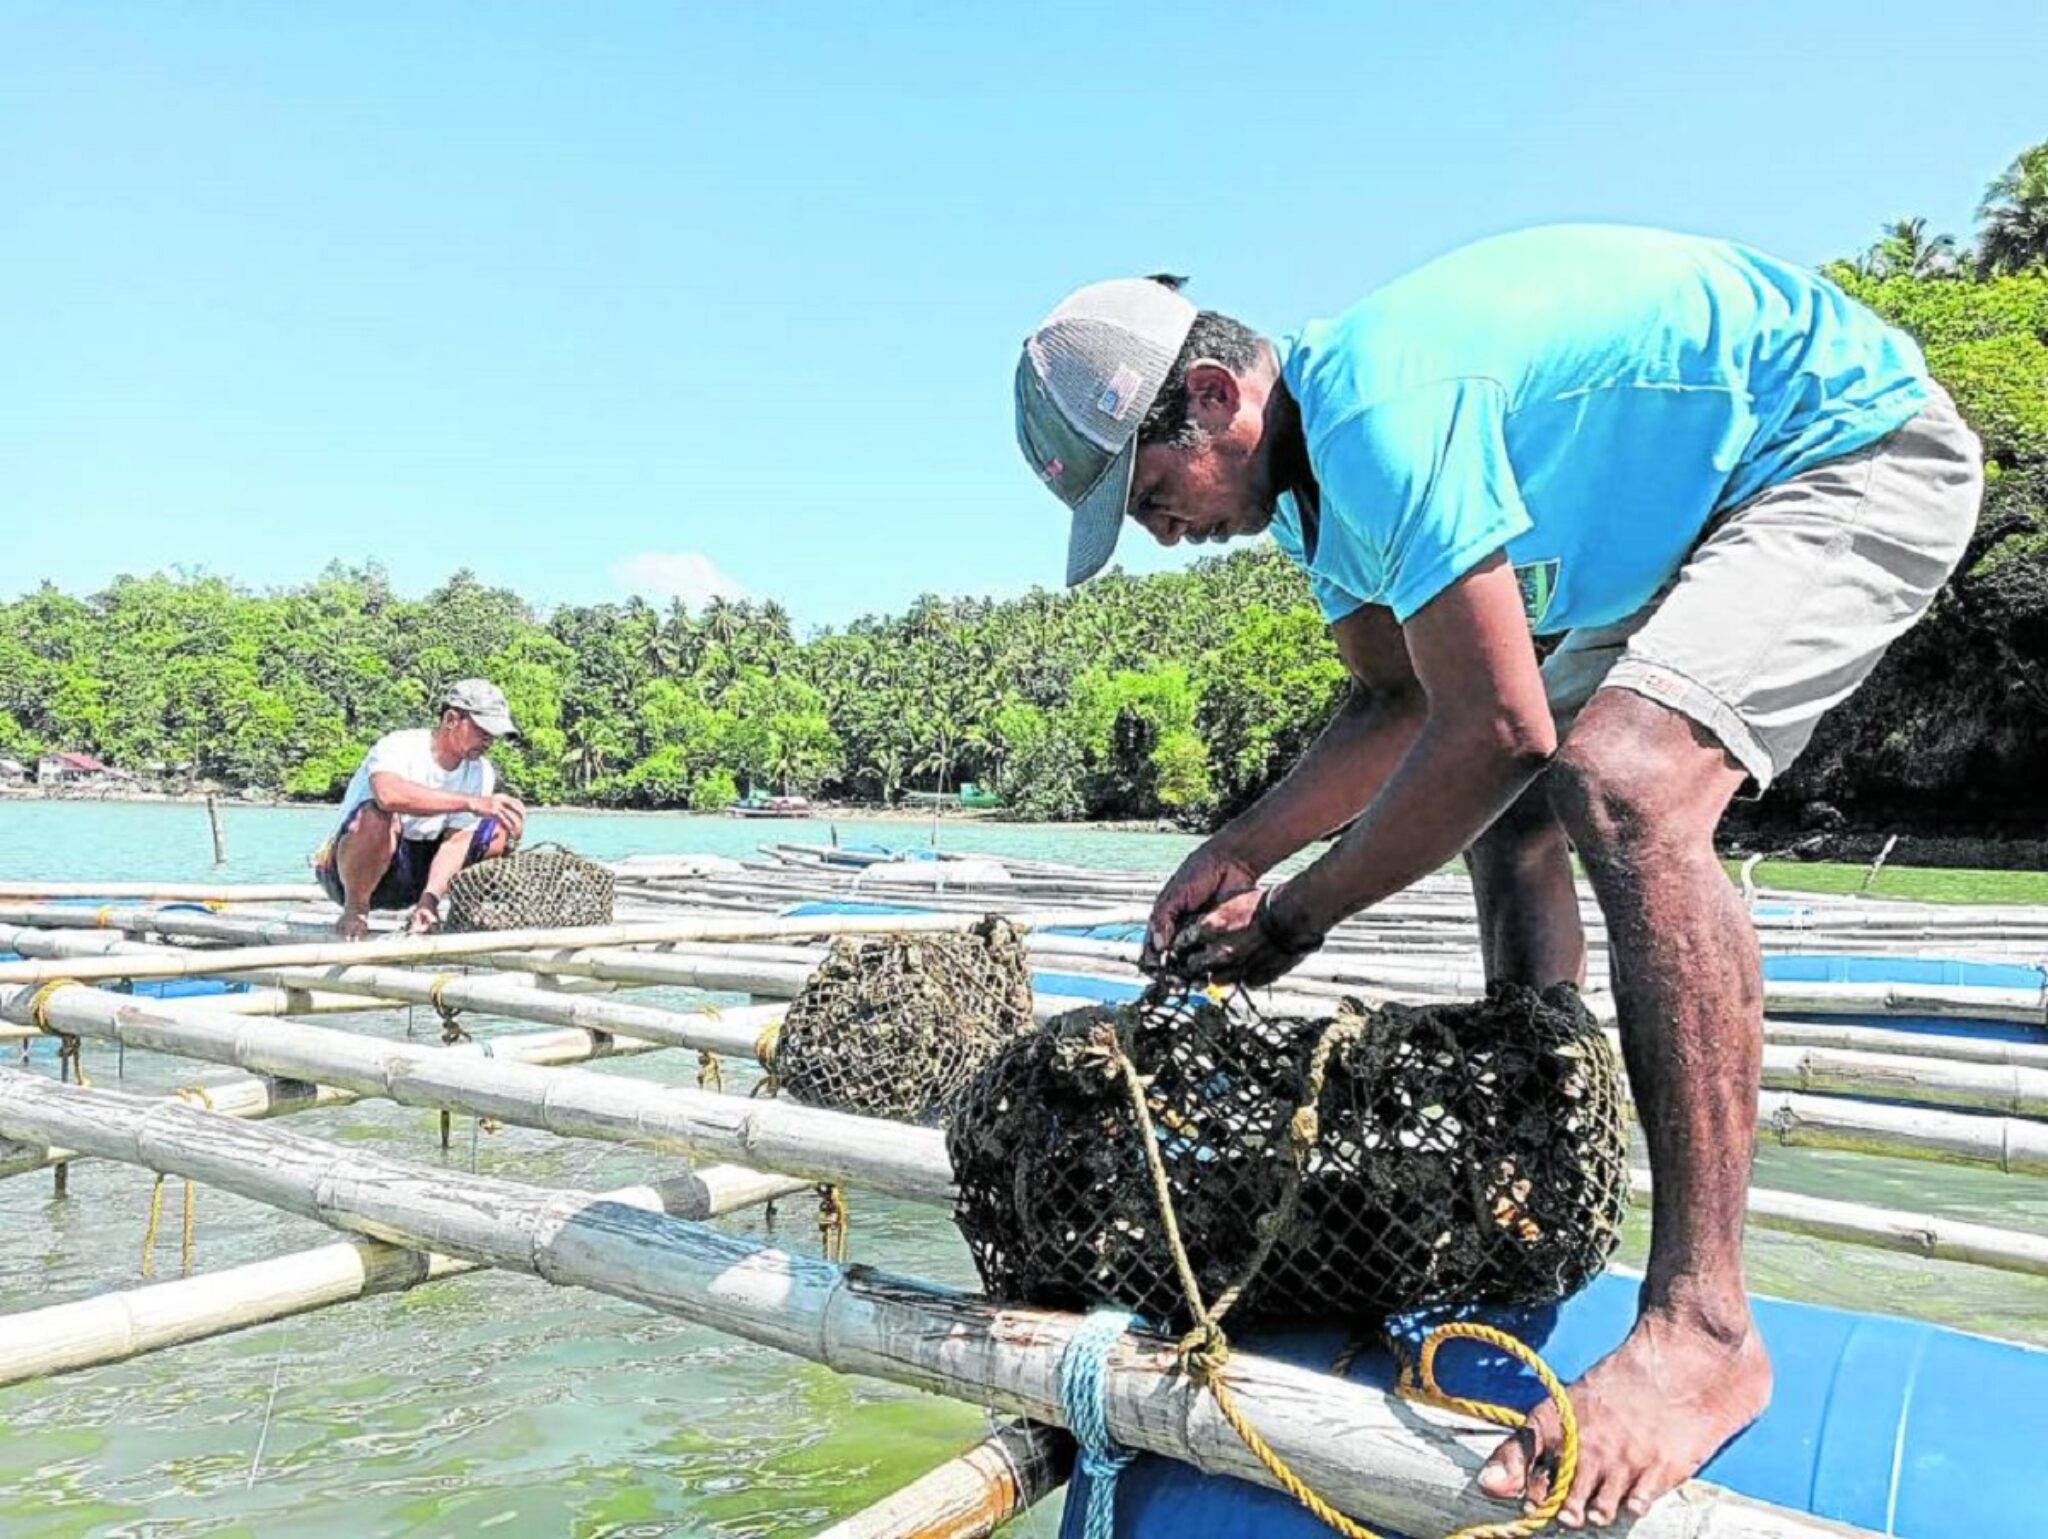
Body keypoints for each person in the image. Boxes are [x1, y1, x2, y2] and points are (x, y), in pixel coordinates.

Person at [1014, 226, 1982, 1526]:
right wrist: (1242, 846)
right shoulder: (1319, 504)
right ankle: (1531, 1169)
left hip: (1838, 452)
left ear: (1209, 397)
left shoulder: (1377, 409)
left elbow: (1498, 730)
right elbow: (1396, 705)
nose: (1162, 531)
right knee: (1516, 819)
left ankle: (1705, 1327)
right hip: (1682, 537)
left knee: (1622, 784)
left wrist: (1300, 912)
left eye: (1147, 493)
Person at [313, 679, 528, 939]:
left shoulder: (481, 772)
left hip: (415, 874)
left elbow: (456, 843)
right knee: (376, 816)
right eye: (483, 730)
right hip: (349, 875)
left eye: (492, 734)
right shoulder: (398, 746)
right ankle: (356, 908)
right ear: (451, 719)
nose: (489, 740)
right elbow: (388, 795)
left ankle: (446, 908)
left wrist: (430, 900)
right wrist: (471, 802)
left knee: (497, 826)